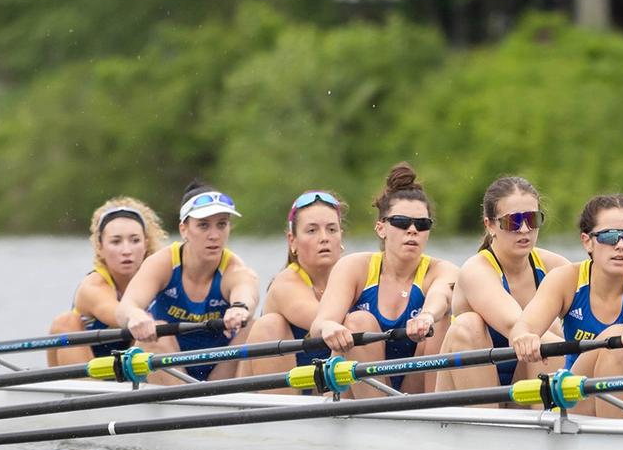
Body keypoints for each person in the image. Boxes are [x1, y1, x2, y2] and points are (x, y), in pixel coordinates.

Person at [510, 193, 623, 417]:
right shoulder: (566, 280)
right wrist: (525, 337)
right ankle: (617, 441)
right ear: (587, 241)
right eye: (610, 237)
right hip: (579, 396)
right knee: (617, 338)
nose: (621, 245)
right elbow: (522, 327)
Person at [309, 163, 459, 396]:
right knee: (359, 321)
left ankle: (435, 416)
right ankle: (378, 418)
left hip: (417, 383)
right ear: (381, 228)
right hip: (361, 388)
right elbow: (319, 325)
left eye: (422, 224)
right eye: (401, 222)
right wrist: (329, 326)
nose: (412, 230)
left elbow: (442, 294)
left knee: (442, 322)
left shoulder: (443, 270)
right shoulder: (354, 267)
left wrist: (428, 315)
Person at [435, 176, 572, 395]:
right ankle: (489, 422)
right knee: (470, 324)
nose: (525, 229)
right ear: (490, 225)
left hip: (522, 386)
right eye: (513, 221)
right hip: (469, 391)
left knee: (556, 329)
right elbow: (516, 327)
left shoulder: (555, 267)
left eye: (532, 219)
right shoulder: (476, 271)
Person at [116, 183, 261, 383]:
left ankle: (209, 400)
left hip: (220, 372)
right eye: (203, 225)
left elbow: (246, 291)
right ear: (184, 229)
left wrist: (240, 308)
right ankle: (197, 401)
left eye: (222, 224)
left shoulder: (234, 269)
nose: (214, 235)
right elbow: (126, 306)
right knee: (154, 335)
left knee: (255, 327)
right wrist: (135, 315)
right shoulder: (163, 263)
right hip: (168, 363)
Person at [234, 190, 346, 388]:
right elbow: (325, 320)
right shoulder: (285, 283)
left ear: (341, 237)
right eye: (312, 231)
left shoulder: (354, 275)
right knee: (269, 324)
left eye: (331, 229)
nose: (324, 238)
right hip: (280, 396)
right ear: (292, 241)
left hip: (327, 392)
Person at [46, 197, 168, 367]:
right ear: (100, 247)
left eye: (135, 240)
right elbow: (116, 313)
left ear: (146, 244)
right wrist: (135, 315)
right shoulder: (92, 286)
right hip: (88, 373)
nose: (127, 251)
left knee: (157, 329)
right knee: (65, 322)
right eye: (116, 241)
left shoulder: (163, 277)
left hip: (136, 370)